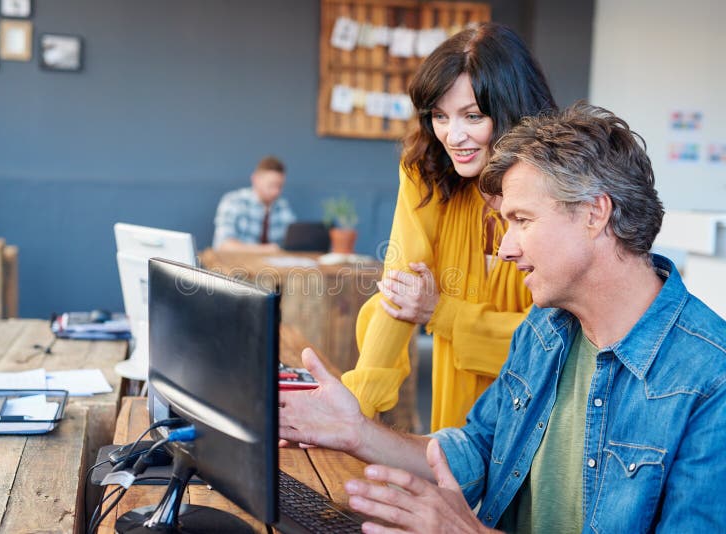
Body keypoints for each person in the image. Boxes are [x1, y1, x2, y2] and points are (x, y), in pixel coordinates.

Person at [279, 103, 726, 532]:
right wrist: (357, 432)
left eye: (522, 220)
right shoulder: (544, 329)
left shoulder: (711, 379)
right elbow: (477, 449)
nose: (507, 248)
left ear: (595, 213)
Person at [342, 23, 556, 431]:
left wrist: (442, 313)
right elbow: (398, 291)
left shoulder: (558, 186)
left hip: (541, 410)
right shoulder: (426, 171)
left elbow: (552, 343)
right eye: (439, 116)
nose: (453, 136)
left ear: (512, 108)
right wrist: (357, 406)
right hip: (458, 406)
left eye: (472, 116)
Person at [212, 156, 296, 252]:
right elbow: (224, 245)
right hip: (237, 264)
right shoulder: (234, 201)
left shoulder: (282, 205)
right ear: (255, 180)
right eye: (271, 185)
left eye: (280, 186)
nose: (276, 192)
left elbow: (292, 243)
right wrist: (265, 250)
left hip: (272, 265)